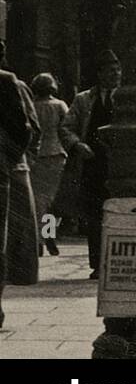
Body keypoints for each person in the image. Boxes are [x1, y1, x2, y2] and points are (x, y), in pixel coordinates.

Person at [60, 49, 121, 277]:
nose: (115, 74)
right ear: (100, 74)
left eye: (117, 70)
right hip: (92, 164)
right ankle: (97, 264)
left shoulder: (125, 97)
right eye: (110, 71)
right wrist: (77, 145)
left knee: (116, 214)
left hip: (118, 166)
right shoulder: (84, 99)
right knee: (95, 216)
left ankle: (114, 262)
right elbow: (66, 127)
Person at [0, 38, 40, 328]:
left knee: (3, 241)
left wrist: (6, 160)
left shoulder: (7, 81)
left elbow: (25, 129)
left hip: (4, 173)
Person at [28, 73, 68, 256]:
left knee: (38, 200)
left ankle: (38, 239)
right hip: (57, 154)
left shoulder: (32, 105)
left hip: (36, 156)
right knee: (52, 201)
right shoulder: (60, 105)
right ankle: (49, 233)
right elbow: (67, 128)